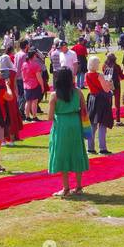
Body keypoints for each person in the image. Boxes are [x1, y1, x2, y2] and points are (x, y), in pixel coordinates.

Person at [47, 67, 89, 197]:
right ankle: (79, 186)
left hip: (61, 125)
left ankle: (66, 188)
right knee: (77, 152)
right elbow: (84, 110)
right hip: (75, 124)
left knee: (62, 154)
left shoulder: (54, 95)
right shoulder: (78, 92)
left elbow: (49, 117)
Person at [84, 55, 114, 155]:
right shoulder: (99, 75)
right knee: (103, 124)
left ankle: (90, 148)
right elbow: (106, 89)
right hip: (101, 99)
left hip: (92, 99)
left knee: (92, 124)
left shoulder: (87, 74)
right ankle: (102, 148)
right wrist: (109, 83)